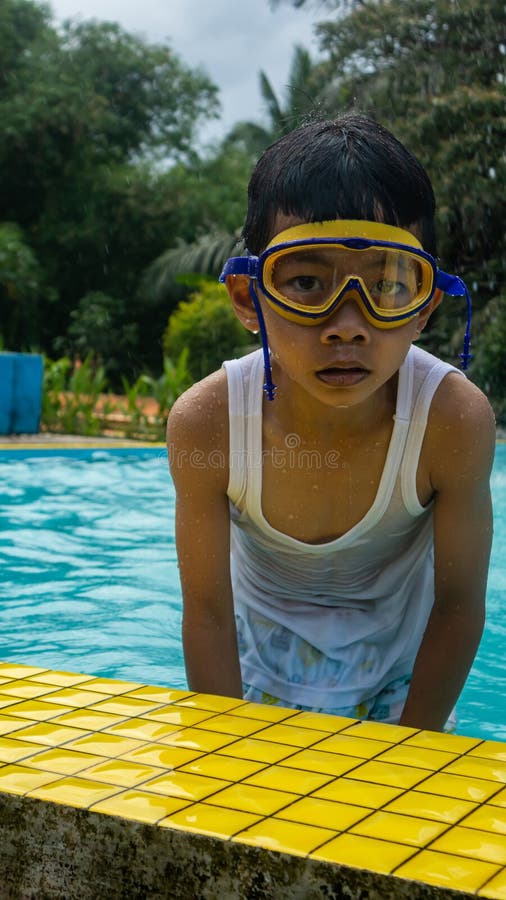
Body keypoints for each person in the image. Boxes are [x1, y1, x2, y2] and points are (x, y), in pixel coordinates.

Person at [167, 114, 495, 731]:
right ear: (249, 300)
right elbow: (208, 613)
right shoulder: (207, 423)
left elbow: (457, 608)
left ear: (425, 306)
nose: (348, 323)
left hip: (403, 698)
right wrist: (224, 750)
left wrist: (412, 751)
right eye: (308, 283)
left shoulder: (450, 420)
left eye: (389, 285)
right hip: (249, 683)